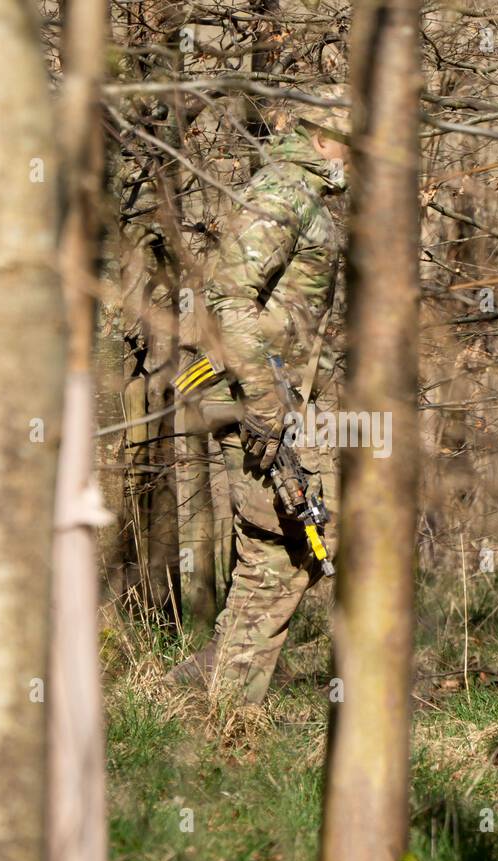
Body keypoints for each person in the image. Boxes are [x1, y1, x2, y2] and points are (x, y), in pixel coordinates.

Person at [165, 89, 350, 705]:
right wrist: (268, 408)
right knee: (285, 543)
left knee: (280, 541)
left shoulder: (303, 194)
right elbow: (229, 301)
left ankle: (211, 685)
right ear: (324, 138)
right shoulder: (282, 193)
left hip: (270, 393)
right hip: (252, 395)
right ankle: (226, 707)